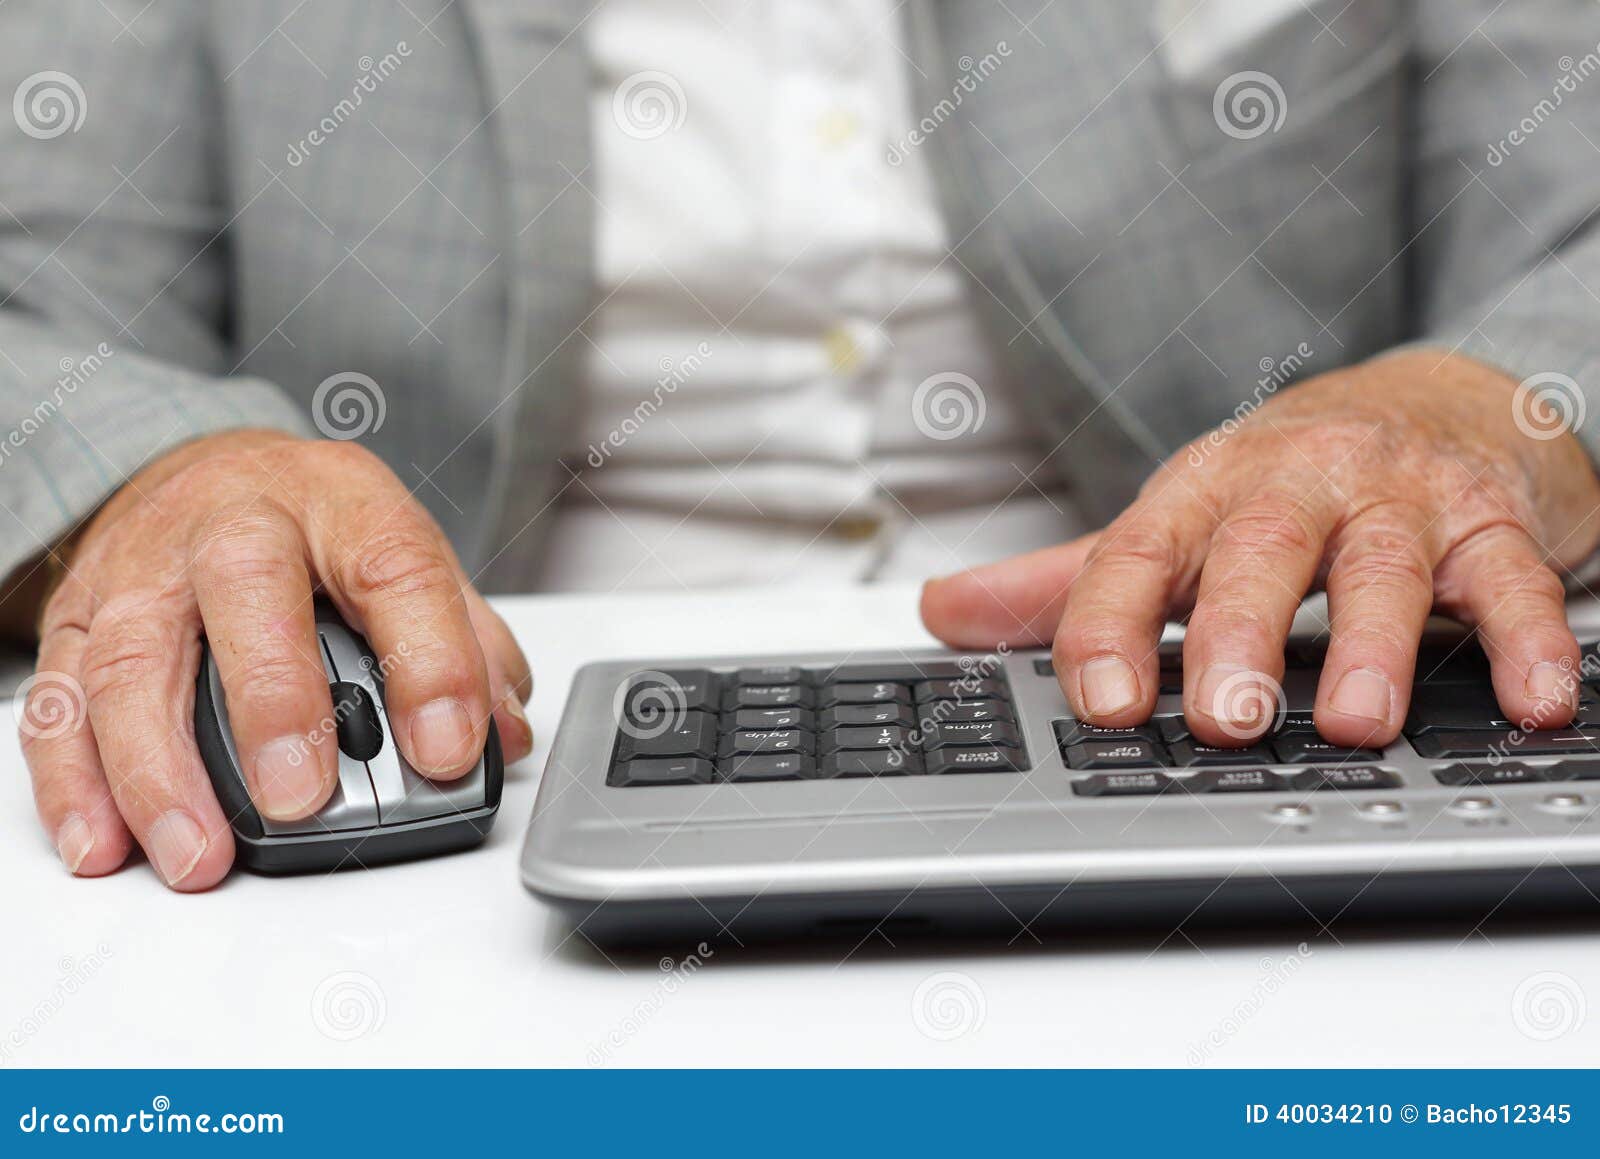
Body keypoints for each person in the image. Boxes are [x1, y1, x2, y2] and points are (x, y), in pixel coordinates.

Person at [3, 0, 1598, 889]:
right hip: (474, 781)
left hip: (1260, 723)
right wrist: (164, 470)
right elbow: (33, 301)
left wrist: (1472, 412)